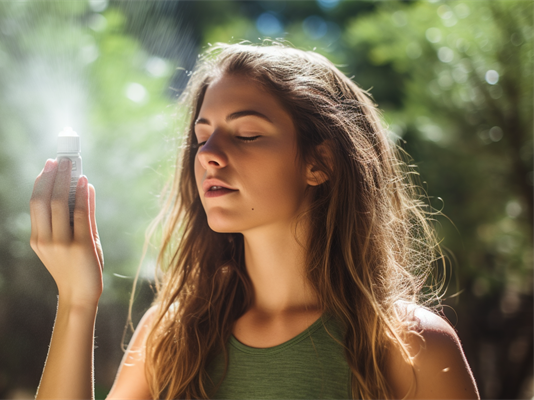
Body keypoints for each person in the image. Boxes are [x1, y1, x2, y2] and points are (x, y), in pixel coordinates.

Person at [29, 42, 480, 400]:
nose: (207, 155)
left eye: (247, 134)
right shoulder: (171, 335)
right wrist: (75, 300)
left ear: (319, 162)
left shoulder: (411, 347)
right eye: (202, 137)